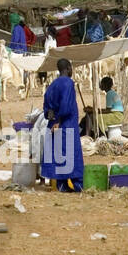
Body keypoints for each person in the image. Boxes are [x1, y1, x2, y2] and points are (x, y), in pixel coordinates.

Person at [41, 57, 83, 192]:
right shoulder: (68, 83)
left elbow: (47, 107)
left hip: (55, 125)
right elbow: (66, 105)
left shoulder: (52, 85)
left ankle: (62, 185)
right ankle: (78, 186)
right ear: (68, 68)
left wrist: (52, 118)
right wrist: (59, 120)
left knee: (59, 155)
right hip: (66, 124)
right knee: (72, 155)